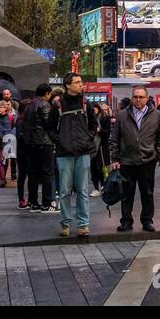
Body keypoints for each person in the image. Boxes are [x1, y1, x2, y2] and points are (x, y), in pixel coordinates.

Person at [110, 86, 160, 232]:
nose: (138, 100)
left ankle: (147, 220)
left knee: (147, 192)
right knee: (127, 193)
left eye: (141, 97)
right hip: (127, 160)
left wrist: (157, 155)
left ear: (147, 98)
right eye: (135, 97)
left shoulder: (157, 115)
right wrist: (115, 158)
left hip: (147, 161)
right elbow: (115, 138)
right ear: (132, 98)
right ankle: (126, 221)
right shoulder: (122, 115)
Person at [54, 74, 100, 238]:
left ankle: (83, 224)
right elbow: (50, 127)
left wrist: (87, 138)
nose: (81, 85)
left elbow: (94, 125)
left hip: (82, 152)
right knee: (65, 191)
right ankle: (65, 223)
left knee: (82, 190)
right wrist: (60, 141)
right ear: (68, 85)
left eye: (81, 82)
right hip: (64, 153)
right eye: (78, 82)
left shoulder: (86, 103)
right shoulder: (58, 104)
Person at [24, 86, 57, 212]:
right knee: (47, 173)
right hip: (44, 142)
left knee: (33, 174)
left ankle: (33, 203)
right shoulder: (44, 104)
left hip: (31, 143)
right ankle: (46, 203)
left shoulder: (29, 105)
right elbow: (48, 124)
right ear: (47, 93)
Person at [0, 99, 17, 187]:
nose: (0, 109)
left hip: (8, 141)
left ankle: (3, 175)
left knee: (6, 160)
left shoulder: (10, 117)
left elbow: (13, 127)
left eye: (2, 107)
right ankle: (3, 179)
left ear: (6, 108)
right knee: (0, 160)